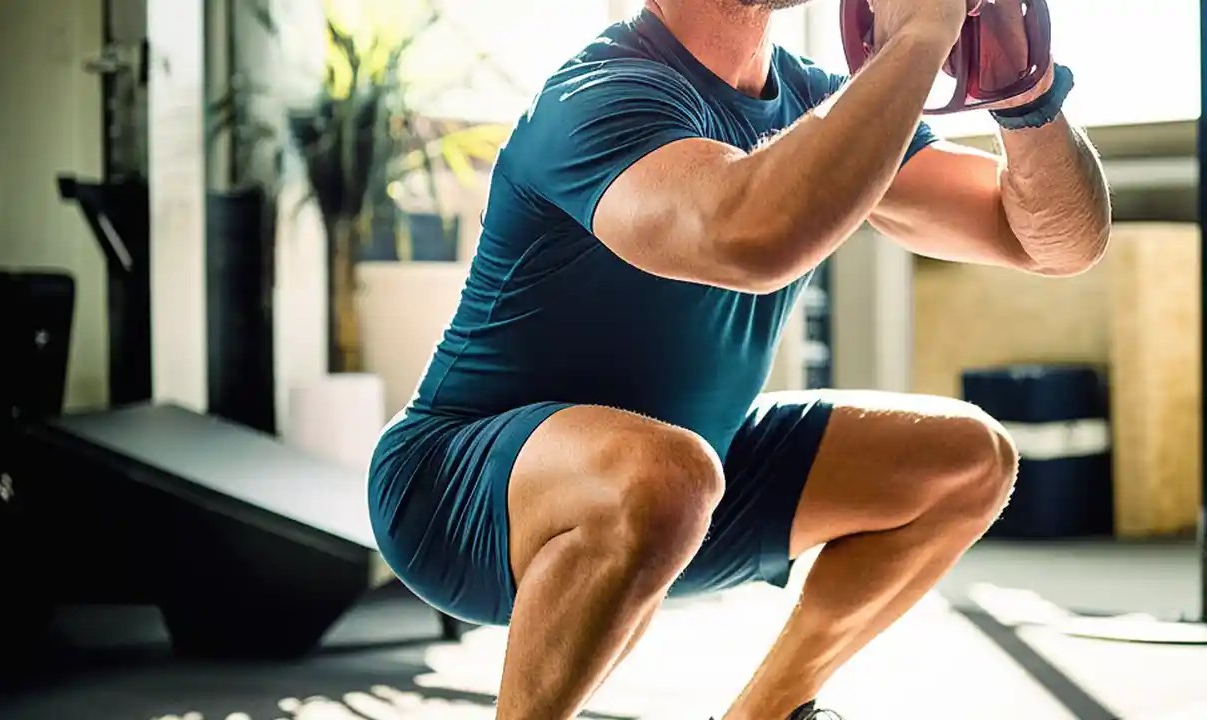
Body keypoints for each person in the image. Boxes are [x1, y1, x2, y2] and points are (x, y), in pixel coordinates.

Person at [368, 0, 1111, 717]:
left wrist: (1026, 95)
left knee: (967, 459)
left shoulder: (818, 97)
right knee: (667, 474)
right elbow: (747, 235)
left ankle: (766, 714)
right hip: (454, 487)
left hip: (691, 481)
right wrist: (920, 37)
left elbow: (1052, 242)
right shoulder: (601, 93)